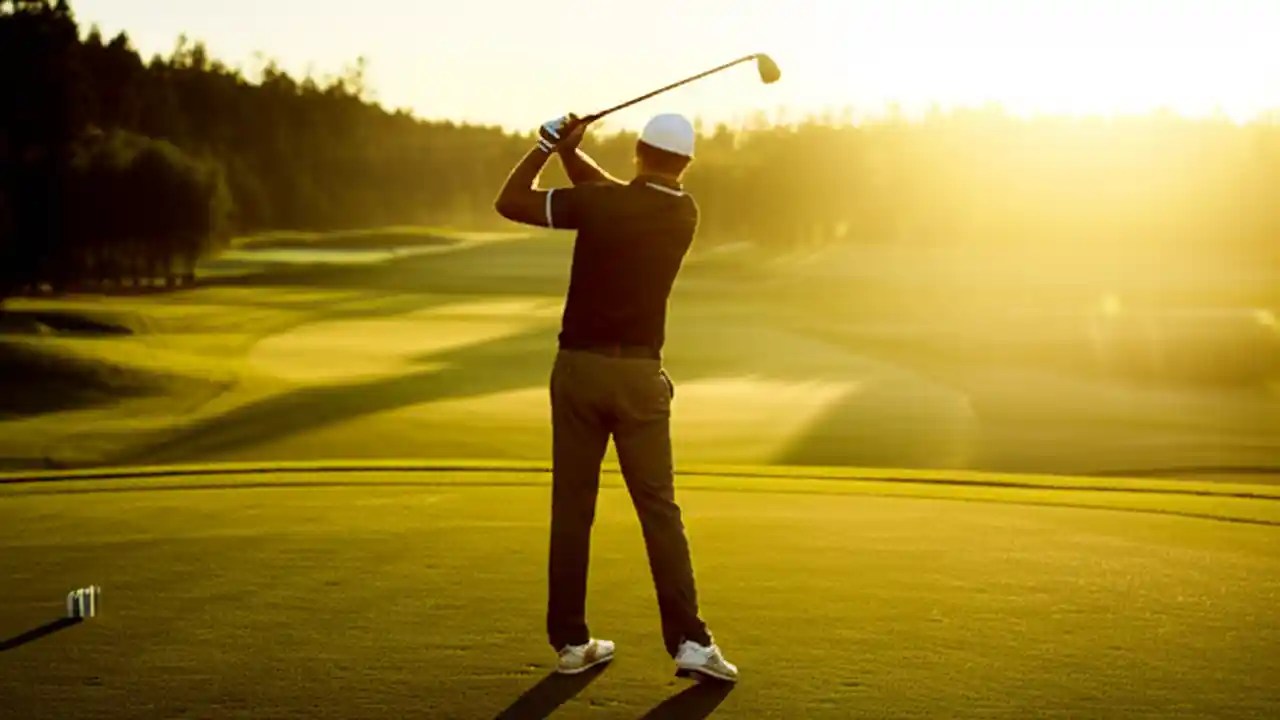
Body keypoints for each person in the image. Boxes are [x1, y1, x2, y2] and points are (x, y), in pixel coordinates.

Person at [494, 112, 737, 682]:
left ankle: (572, 644)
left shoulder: (602, 205)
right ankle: (690, 643)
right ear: (687, 165)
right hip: (638, 379)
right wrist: (570, 154)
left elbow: (512, 201)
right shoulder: (684, 212)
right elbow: (612, 196)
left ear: (636, 149)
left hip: (577, 372)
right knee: (659, 510)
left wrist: (547, 146)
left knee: (573, 509)